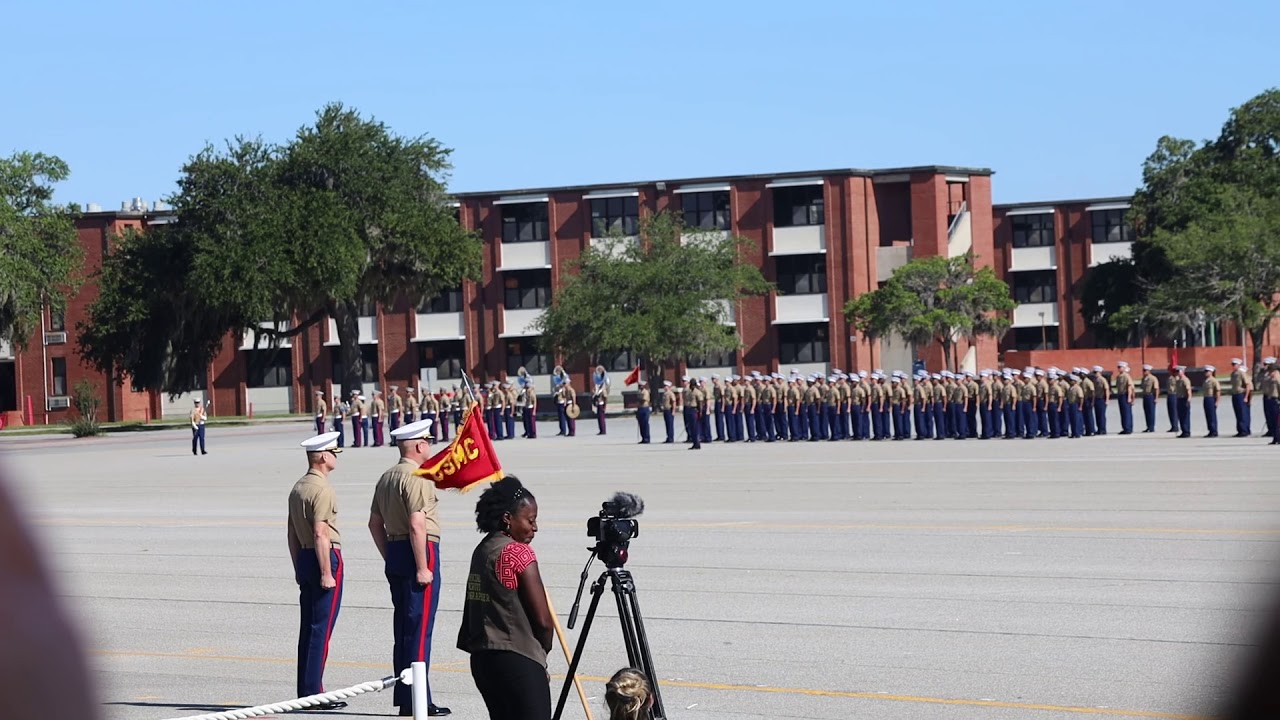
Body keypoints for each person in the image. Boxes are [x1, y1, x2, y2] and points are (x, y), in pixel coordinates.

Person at [368, 419, 450, 717]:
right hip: (420, 551)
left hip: (397, 550)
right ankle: (419, 701)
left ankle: (406, 697)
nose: (430, 446)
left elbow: (375, 524)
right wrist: (423, 566)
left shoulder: (387, 477)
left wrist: (390, 555)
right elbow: (418, 524)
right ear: (418, 445)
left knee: (404, 628)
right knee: (419, 629)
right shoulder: (417, 476)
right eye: (428, 441)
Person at [457, 476, 554, 720]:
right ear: (507, 518)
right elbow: (543, 621)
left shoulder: (483, 549)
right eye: (530, 520)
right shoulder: (517, 553)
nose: (535, 527)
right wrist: (543, 653)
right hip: (518, 659)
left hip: (484, 660)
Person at [288, 431, 346, 709]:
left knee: (309, 628)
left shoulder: (298, 487)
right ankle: (315, 693)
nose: (335, 457)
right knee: (321, 629)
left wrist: (298, 565)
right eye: (334, 452)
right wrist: (326, 572)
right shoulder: (322, 489)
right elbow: (321, 533)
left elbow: (291, 532)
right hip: (324, 557)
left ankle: (306, 690)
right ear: (323, 456)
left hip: (305, 557)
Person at [1230, 358, 1253, 437]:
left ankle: (1245, 430)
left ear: (1239, 365)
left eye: (1235, 364)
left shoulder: (1241, 373)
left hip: (1241, 394)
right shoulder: (1233, 374)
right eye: (1232, 364)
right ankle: (1240, 430)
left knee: (1243, 413)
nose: (1233, 366)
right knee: (1238, 413)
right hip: (1235, 394)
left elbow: (1247, 385)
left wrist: (1246, 397)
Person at [1203, 364, 1221, 438]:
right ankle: (1210, 430)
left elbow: (1218, 391)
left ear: (1211, 372)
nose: (1205, 372)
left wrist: (1217, 401)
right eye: (1205, 371)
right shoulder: (1206, 381)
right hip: (1206, 398)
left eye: (1207, 371)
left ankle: (1214, 431)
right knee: (1208, 415)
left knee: (1212, 415)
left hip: (1211, 398)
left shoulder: (1214, 380)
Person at [1140, 364, 1159, 433]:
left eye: (1145, 370)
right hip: (1145, 396)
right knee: (1146, 412)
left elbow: (1156, 389)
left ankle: (1151, 427)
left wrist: (1156, 398)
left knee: (1151, 412)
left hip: (1151, 396)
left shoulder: (1153, 378)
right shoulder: (1144, 378)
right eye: (1143, 370)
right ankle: (1148, 426)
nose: (1144, 372)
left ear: (1149, 371)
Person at [635, 379, 651, 444]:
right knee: (641, 424)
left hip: (645, 408)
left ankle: (647, 438)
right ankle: (643, 438)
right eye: (639, 385)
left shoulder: (645, 392)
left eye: (641, 385)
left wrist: (639, 400)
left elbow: (643, 400)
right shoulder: (639, 392)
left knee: (645, 424)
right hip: (640, 408)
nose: (640, 386)